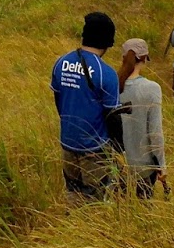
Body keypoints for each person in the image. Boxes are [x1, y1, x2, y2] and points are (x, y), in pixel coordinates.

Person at [50, 12, 122, 204]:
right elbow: (112, 116)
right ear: (107, 42)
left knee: (72, 194)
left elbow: (59, 100)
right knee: (96, 201)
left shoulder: (61, 63)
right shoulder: (106, 73)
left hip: (67, 142)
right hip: (94, 148)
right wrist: (120, 147)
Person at [117, 38, 166, 199]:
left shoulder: (112, 85)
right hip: (144, 166)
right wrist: (161, 165)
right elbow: (155, 132)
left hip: (117, 164)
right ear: (144, 59)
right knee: (143, 208)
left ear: (124, 58)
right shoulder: (151, 88)